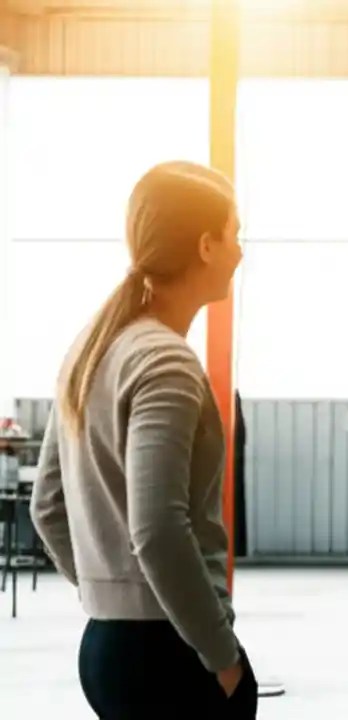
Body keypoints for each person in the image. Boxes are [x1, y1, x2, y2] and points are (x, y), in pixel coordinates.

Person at [29, 160, 258, 719]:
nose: (241, 251)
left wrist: (107, 598)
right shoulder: (164, 361)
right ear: (206, 246)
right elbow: (157, 529)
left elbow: (47, 506)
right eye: (235, 234)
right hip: (170, 653)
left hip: (109, 647)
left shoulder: (95, 345)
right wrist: (221, 656)